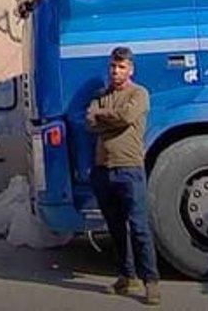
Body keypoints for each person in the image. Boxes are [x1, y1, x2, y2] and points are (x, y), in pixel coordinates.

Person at [86, 46, 159, 306]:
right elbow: (89, 122)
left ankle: (151, 282)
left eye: (121, 67)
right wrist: (107, 118)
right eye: (113, 67)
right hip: (103, 170)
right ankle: (127, 276)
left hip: (129, 169)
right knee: (116, 228)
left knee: (139, 227)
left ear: (131, 69)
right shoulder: (101, 95)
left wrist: (103, 115)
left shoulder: (139, 94)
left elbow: (127, 116)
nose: (116, 71)